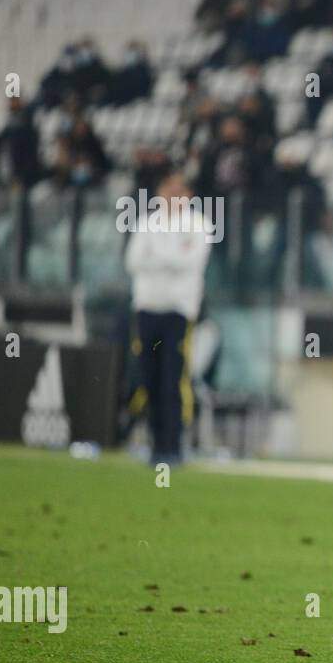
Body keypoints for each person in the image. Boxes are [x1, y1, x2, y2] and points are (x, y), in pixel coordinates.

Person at [123, 171, 213, 466]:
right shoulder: (147, 222)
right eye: (169, 190)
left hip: (178, 311)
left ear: (189, 195)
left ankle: (172, 446)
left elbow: (192, 262)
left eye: (179, 191)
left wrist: (157, 258)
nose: (174, 197)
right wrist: (170, 259)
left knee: (173, 378)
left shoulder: (198, 224)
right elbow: (133, 261)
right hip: (147, 308)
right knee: (149, 376)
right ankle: (154, 444)